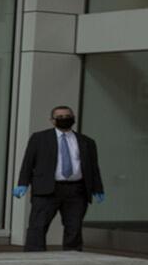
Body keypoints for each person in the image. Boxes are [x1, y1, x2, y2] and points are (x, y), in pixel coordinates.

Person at [15, 105, 105, 252]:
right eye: (60, 117)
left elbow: (93, 168)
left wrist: (98, 188)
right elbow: (28, 163)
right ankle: (33, 258)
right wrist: (23, 184)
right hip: (47, 189)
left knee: (74, 227)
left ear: (74, 118)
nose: (65, 119)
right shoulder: (39, 138)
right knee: (38, 226)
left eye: (68, 116)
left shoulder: (87, 142)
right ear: (52, 120)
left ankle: (72, 258)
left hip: (76, 190)